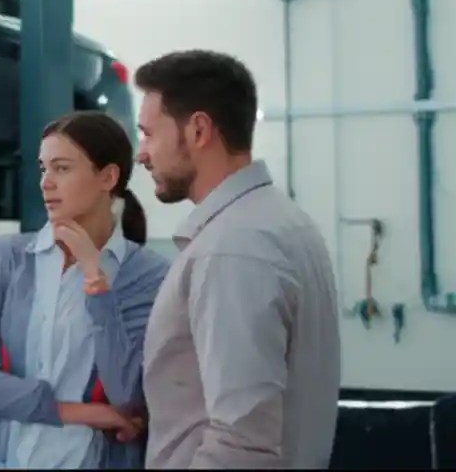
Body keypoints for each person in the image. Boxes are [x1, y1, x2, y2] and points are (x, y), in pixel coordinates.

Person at [133, 50, 340, 469]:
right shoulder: (284, 222)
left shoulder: (232, 249)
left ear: (198, 130)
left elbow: (242, 442)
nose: (142, 153)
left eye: (149, 134)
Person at [0, 111, 171, 469]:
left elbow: (128, 393)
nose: (45, 183)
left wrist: (95, 280)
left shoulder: (148, 275)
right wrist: (88, 413)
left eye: (62, 168)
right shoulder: (7, 258)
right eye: (43, 169)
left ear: (108, 176)